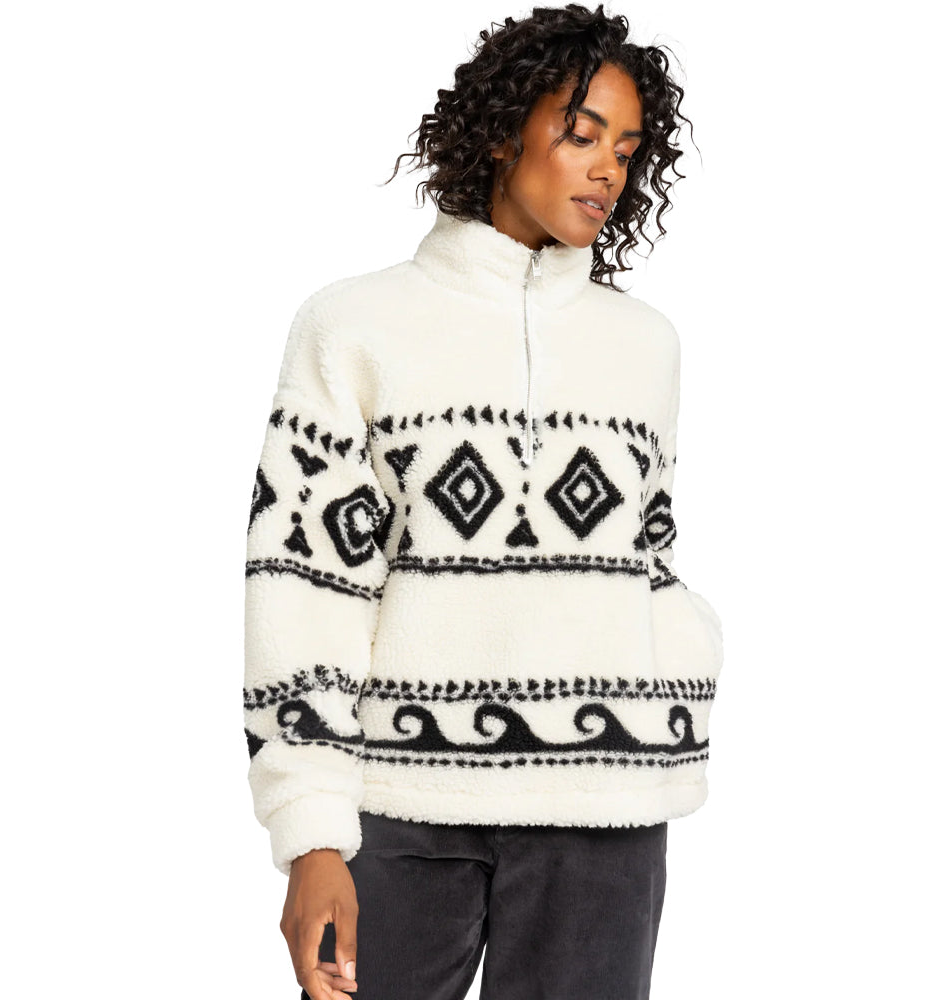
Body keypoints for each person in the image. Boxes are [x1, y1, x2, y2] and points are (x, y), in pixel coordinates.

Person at [242, 5, 724, 999]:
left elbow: (649, 552)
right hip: (399, 800)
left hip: (604, 807)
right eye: (581, 134)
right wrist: (310, 832)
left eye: (626, 149)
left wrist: (682, 653)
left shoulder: (646, 346)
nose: (607, 171)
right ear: (504, 133)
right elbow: (303, 584)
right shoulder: (354, 326)